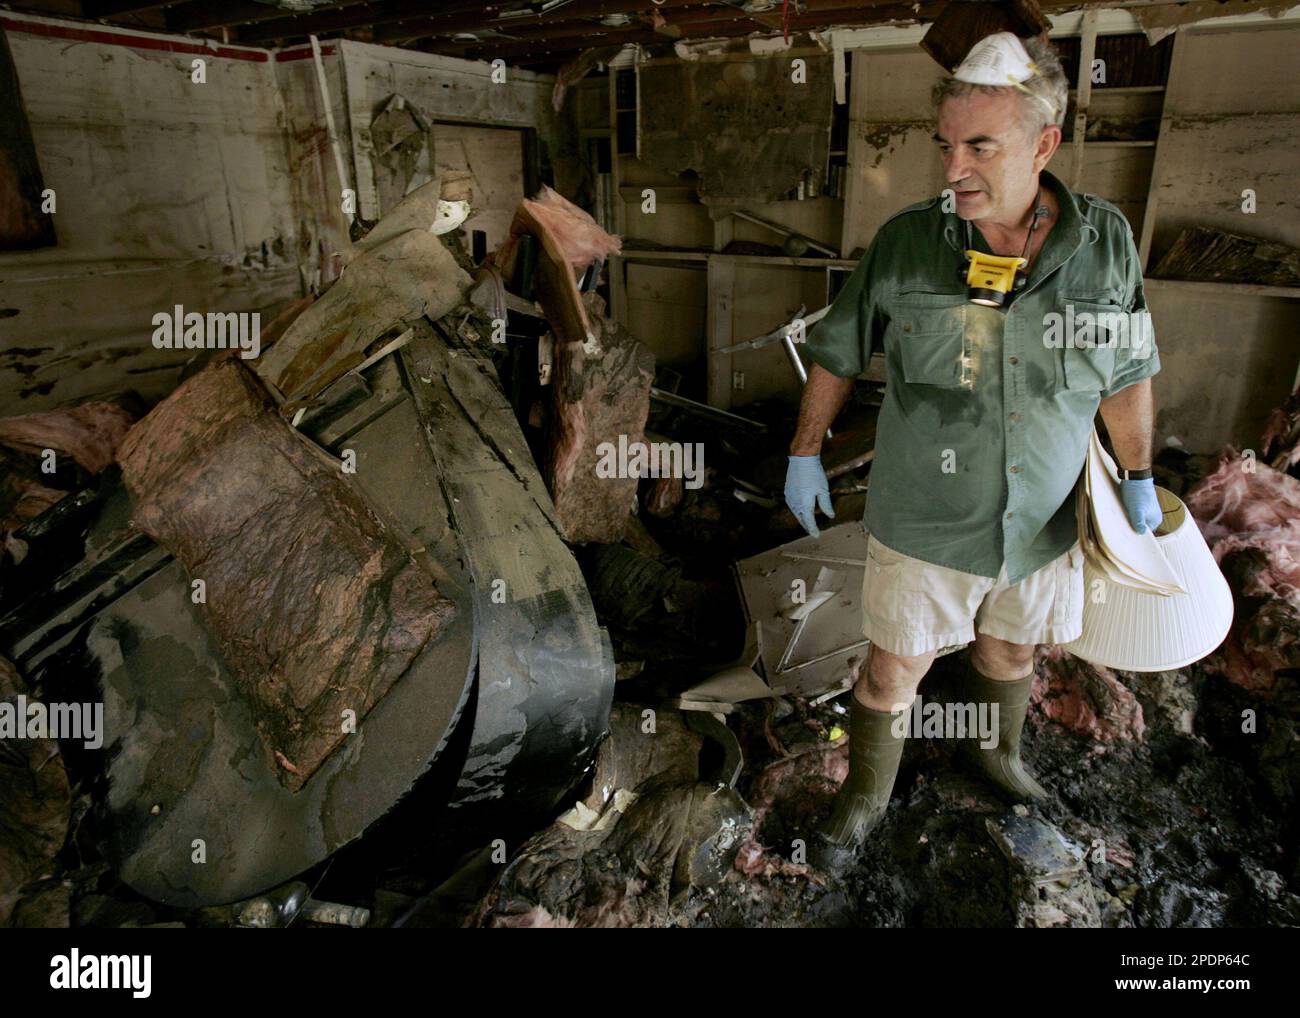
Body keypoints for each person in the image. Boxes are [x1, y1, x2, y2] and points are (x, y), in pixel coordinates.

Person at [783, 33, 1162, 872]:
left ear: (1044, 144)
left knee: (1013, 651)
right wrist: (805, 449)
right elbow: (840, 352)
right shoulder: (907, 242)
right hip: (927, 517)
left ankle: (994, 754)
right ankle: (864, 797)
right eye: (945, 146)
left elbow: (1129, 372)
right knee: (892, 670)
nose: (954, 168)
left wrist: (1139, 476)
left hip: (1042, 522)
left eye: (980, 147)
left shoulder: (1105, 247)